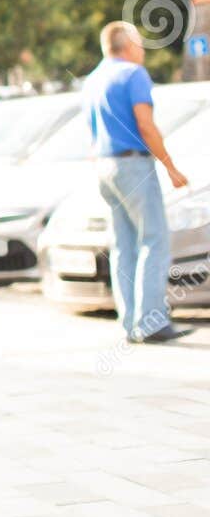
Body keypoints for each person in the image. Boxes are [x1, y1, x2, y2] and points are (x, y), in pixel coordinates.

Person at [81, 21, 191, 343]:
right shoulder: (133, 74)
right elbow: (145, 125)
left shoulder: (92, 80)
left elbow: (90, 131)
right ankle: (153, 322)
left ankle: (130, 323)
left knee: (123, 244)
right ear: (126, 46)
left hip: (105, 165)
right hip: (133, 164)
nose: (143, 49)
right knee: (154, 240)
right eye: (140, 43)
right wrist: (170, 167)